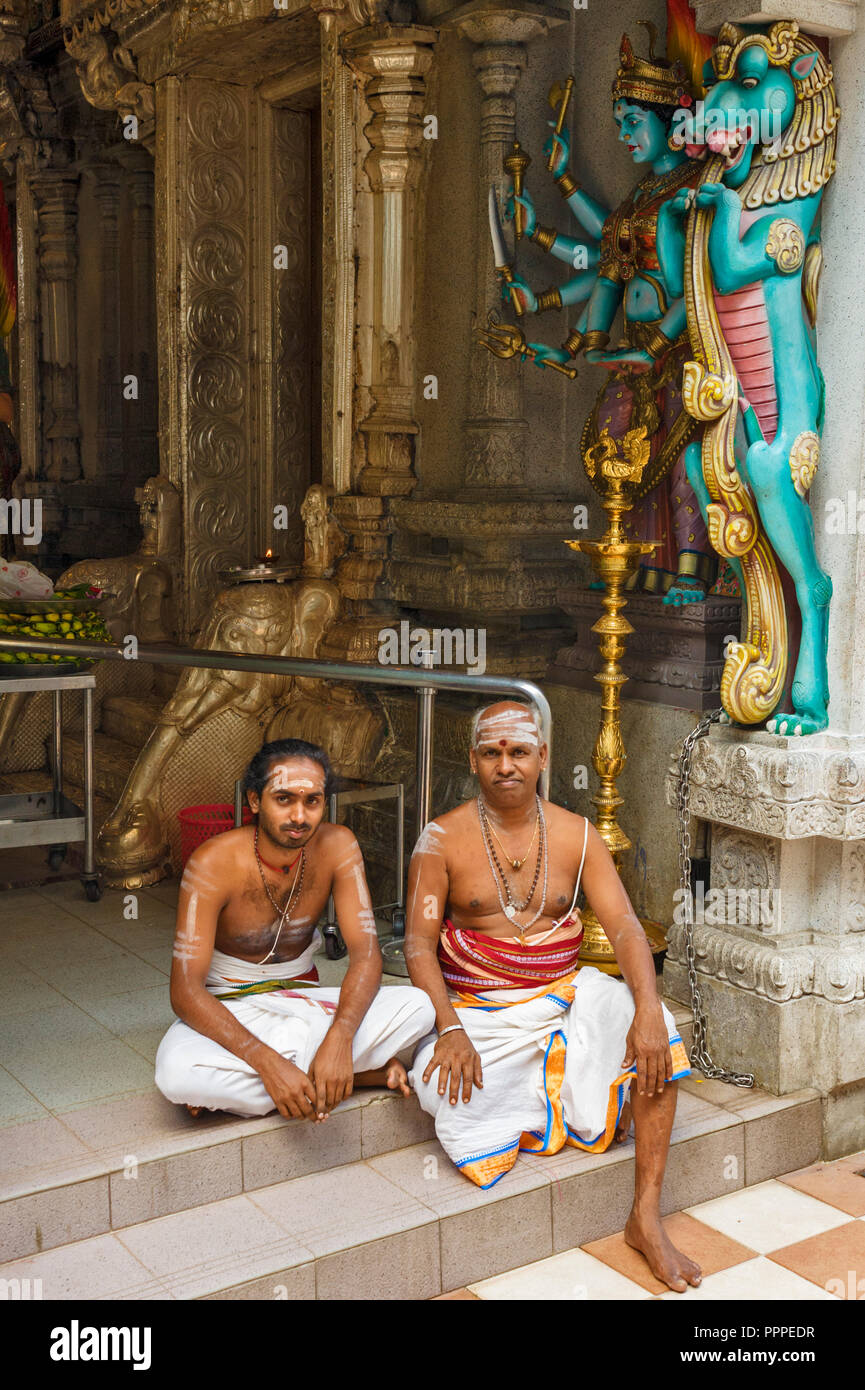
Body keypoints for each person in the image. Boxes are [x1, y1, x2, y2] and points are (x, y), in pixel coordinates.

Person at [405, 700, 701, 1293]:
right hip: (481, 1011)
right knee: (443, 1088)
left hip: (565, 992)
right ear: (474, 760)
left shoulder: (576, 834)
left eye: (519, 752)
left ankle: (645, 1215)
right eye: (492, 752)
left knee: (658, 1034)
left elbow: (624, 929)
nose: (505, 765)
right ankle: (565, 1096)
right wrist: (449, 1029)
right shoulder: (440, 839)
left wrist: (645, 1007)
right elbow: (417, 945)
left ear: (542, 757)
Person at [155, 737, 435, 1122]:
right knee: (177, 1074)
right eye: (284, 799)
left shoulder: (339, 846)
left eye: (312, 801)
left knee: (417, 1007)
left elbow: (367, 954)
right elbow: (185, 991)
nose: (299, 816)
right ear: (254, 801)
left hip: (305, 1002)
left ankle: (288, 1079)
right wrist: (266, 1062)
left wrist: (339, 1038)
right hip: (232, 1007)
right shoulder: (212, 862)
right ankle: (351, 1076)